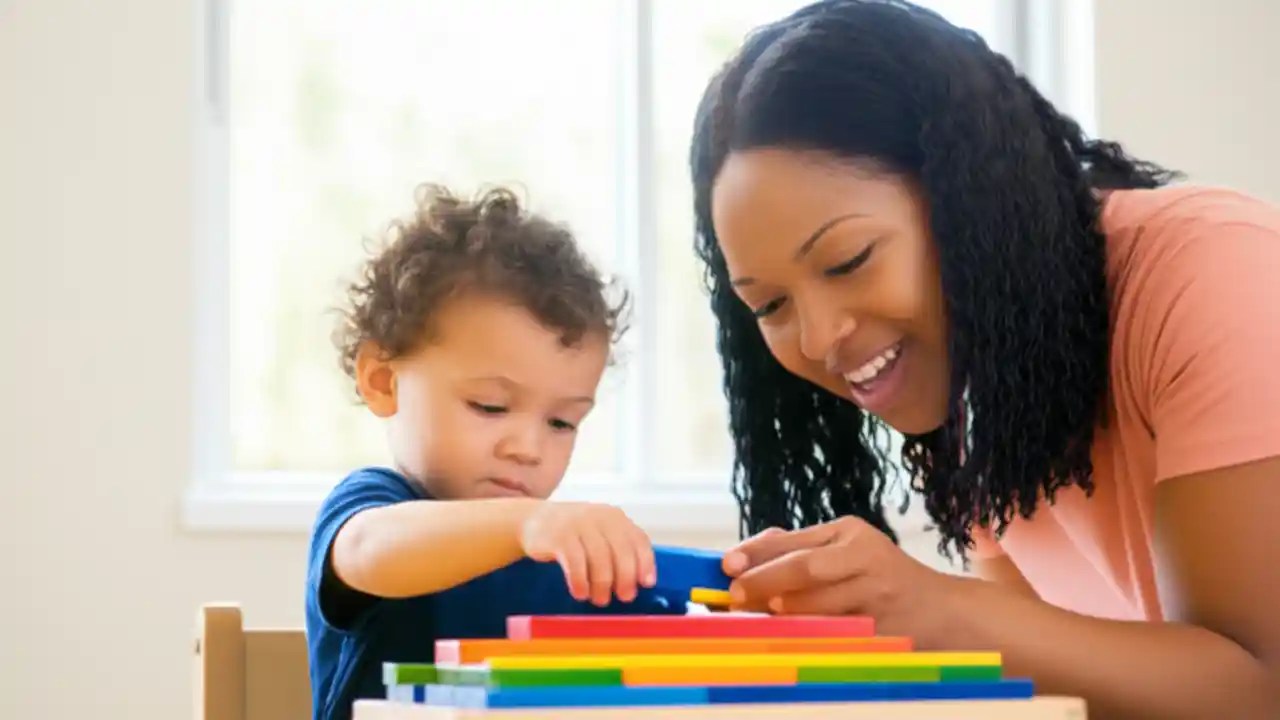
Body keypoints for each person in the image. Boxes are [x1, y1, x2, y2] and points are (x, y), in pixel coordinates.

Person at [689, 1, 1280, 718]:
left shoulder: (1214, 271)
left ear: (971, 200)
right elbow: (1056, 686)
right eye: (770, 307)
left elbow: (1261, 688)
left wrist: (937, 610)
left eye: (848, 260)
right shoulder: (985, 377)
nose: (817, 339)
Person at [305, 185, 681, 720]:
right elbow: (368, 552)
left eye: (561, 422)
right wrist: (526, 525)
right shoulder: (377, 506)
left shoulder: (559, 553)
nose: (529, 448)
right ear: (383, 380)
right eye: (490, 406)